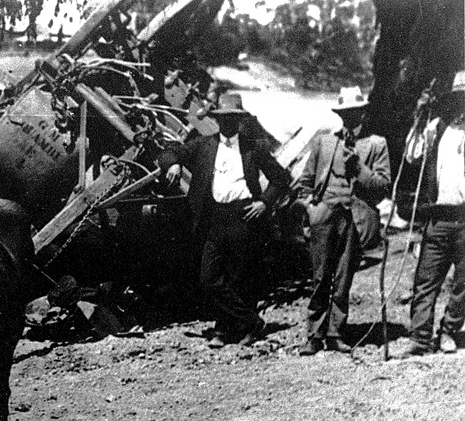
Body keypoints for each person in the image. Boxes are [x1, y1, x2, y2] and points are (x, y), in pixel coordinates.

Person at [160, 93, 292, 347]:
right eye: (223, 118)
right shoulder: (203, 145)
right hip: (214, 218)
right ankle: (250, 321)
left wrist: (264, 202)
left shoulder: (255, 147)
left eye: (233, 118)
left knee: (240, 276)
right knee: (209, 278)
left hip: (244, 216)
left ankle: (227, 329)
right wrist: (173, 164)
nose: (228, 123)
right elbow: (169, 151)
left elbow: (281, 178)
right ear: (217, 120)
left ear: (240, 120)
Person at [295, 86, 391, 355]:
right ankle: (314, 335)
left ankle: (336, 333)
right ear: (340, 114)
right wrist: (311, 208)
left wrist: (359, 169)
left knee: (343, 279)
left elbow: (383, 185)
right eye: (345, 113)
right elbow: (305, 181)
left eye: (355, 112)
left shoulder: (376, 144)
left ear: (362, 113)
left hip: (355, 218)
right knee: (320, 276)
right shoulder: (324, 142)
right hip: (324, 216)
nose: (350, 117)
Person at [395, 70, 465, 358]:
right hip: (438, 217)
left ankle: (448, 331)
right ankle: (420, 338)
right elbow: (412, 155)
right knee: (426, 280)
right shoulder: (436, 128)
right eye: (459, 99)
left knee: (464, 282)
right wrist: (420, 117)